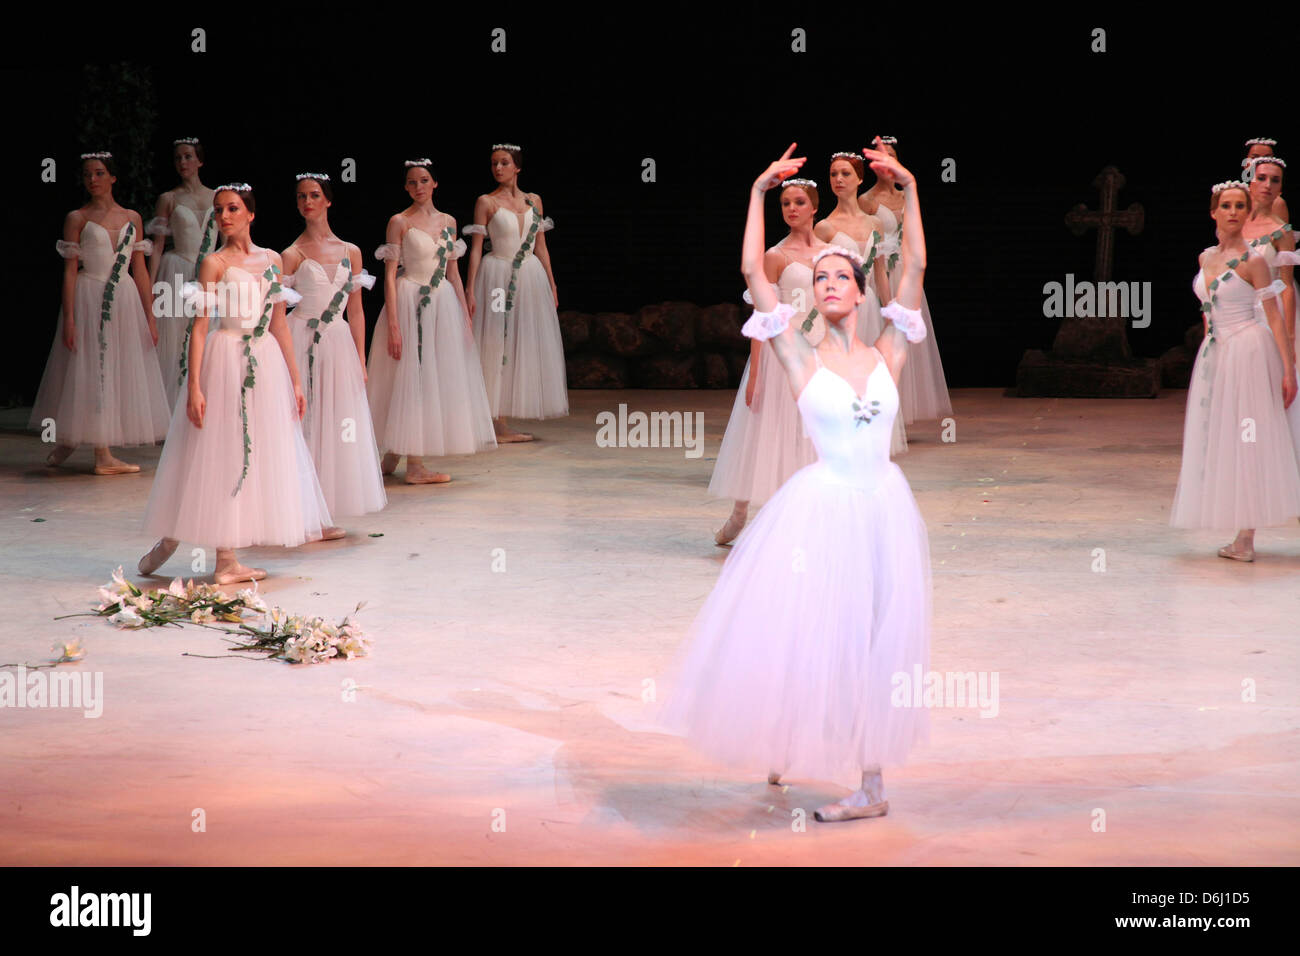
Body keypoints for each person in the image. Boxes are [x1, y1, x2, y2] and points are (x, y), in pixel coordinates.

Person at [661, 141, 932, 823]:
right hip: (823, 509)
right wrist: (757, 192)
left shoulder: (888, 351)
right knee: (807, 633)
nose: (832, 283)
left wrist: (909, 185)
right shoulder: (798, 356)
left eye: (844, 275)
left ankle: (871, 786)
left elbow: (918, 266)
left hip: (884, 509)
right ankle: (784, 737)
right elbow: (753, 268)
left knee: (873, 638)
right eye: (823, 278)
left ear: (862, 291)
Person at [138, 184, 333, 585]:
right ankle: (222, 556)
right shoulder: (214, 263)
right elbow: (200, 327)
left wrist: (296, 382)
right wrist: (194, 387)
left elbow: (279, 323)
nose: (224, 216)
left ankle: (184, 535)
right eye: (219, 209)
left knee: (254, 451)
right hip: (225, 357)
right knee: (219, 449)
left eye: (232, 208)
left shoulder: (272, 260)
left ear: (250, 214)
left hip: (264, 363)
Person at [1169, 180, 1300, 560]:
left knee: (1248, 439)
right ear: (1214, 212)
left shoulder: (1253, 261)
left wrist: (1288, 370)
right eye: (1225, 205)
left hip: (1248, 353)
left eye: (1239, 206)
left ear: (1246, 213)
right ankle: (1239, 530)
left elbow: (1274, 318)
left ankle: (1246, 537)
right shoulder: (1205, 257)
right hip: (1219, 354)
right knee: (1224, 438)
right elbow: (1209, 309)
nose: (1232, 212)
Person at [31, 152, 170, 474]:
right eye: (87, 175)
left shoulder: (132, 218)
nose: (92, 179)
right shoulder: (76, 218)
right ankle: (101, 454)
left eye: (99, 173)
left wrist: (150, 316)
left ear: (112, 178)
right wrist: (69, 318)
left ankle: (75, 440)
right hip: (89, 295)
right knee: (92, 368)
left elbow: (140, 271)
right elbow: (68, 271)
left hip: (123, 298)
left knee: (115, 367)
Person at [709, 178, 828, 545]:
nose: (791, 209)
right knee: (763, 432)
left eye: (799, 202)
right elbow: (764, 316)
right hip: (780, 359)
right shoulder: (776, 256)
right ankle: (740, 512)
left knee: (812, 436)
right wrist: (757, 371)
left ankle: (809, 518)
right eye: (785, 203)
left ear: (813, 207)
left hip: (819, 357)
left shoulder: (832, 254)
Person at [367, 160, 497, 484]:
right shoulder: (399, 221)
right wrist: (394, 322)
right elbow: (388, 275)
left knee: (430, 375)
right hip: (410, 299)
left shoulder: (449, 222)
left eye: (424, 181)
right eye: (412, 183)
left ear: (435, 183)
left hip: (440, 304)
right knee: (408, 374)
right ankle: (412, 463)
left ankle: (400, 453)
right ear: (406, 188)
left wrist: (464, 315)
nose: (418, 187)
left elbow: (451, 271)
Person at [282, 173, 385, 527]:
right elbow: (279, 312)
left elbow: (356, 311)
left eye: (313, 195)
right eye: (300, 197)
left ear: (328, 200)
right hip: (303, 337)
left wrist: (361, 358)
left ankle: (324, 509)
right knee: (306, 419)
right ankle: (303, 511)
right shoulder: (291, 254)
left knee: (338, 421)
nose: (307, 202)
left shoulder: (350, 252)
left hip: (338, 342)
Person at [464, 144, 569, 441]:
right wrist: (470, 289)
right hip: (497, 275)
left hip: (529, 275)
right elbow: (474, 250)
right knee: (496, 339)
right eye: (494, 163)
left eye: (504, 163)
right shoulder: (486, 201)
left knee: (521, 341)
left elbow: (541, 246)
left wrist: (551, 281)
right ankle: (493, 420)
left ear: (517, 167)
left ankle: (503, 419)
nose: (498, 168)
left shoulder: (534, 200)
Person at [861, 137, 953, 427]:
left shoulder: (906, 196)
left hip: (906, 271)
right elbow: (868, 245)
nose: (885, 163)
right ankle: (878, 411)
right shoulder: (867, 201)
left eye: (890, 157)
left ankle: (903, 411)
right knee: (884, 336)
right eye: (880, 158)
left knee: (907, 342)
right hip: (881, 275)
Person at [146, 138, 216, 408]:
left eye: (188, 157)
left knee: (208, 335)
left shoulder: (216, 197)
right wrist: (151, 291)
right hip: (176, 273)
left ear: (200, 160)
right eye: (178, 158)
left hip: (210, 272)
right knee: (176, 340)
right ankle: (172, 409)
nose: (183, 163)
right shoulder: (169, 199)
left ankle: (205, 402)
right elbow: (158, 245)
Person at [1242, 138, 1289, 222]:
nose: (1261, 161)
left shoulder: (1276, 202)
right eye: (1254, 157)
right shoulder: (1236, 195)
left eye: (1267, 157)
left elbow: (1282, 233)